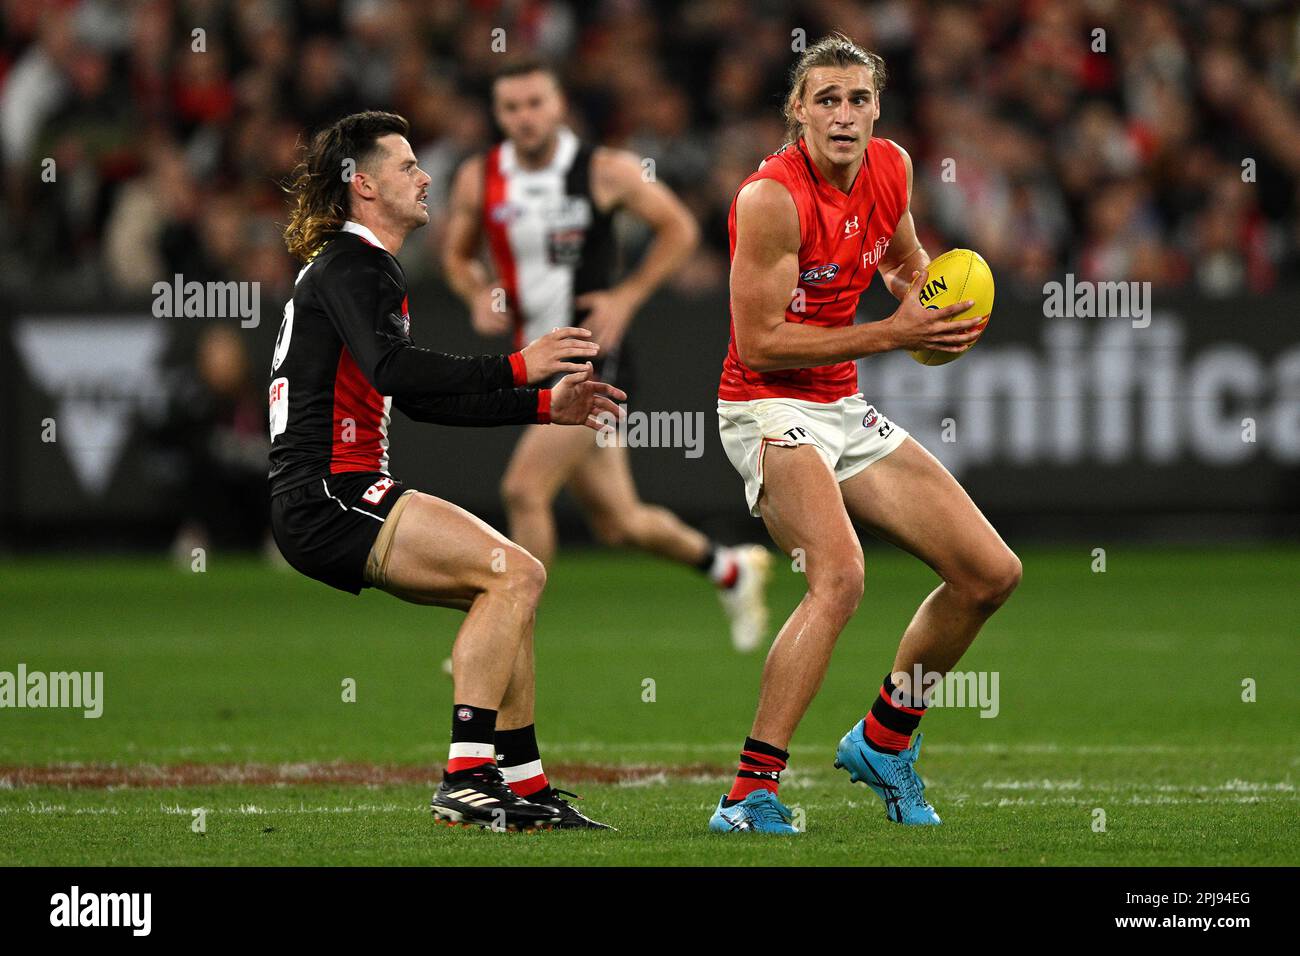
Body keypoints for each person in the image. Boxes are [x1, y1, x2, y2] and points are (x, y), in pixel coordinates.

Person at [270, 110, 625, 830]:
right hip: (330, 493)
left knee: (509, 587)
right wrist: (519, 365)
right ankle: (466, 778)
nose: (425, 176)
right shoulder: (355, 262)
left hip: (330, 493)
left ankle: (524, 786)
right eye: (407, 165)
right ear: (364, 185)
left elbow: (419, 400)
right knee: (516, 574)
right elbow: (394, 369)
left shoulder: (353, 265)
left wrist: (541, 406)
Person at [709, 36, 1022, 834]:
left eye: (857, 99)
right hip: (766, 406)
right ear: (798, 111)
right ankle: (747, 794)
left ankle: (885, 740)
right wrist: (893, 334)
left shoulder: (892, 168)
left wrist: (934, 306)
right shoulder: (770, 198)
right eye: (827, 100)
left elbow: (904, 263)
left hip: (839, 404)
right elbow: (760, 345)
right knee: (840, 577)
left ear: (877, 107)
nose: (843, 115)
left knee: (988, 573)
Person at [443, 58, 772, 653]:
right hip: (535, 361)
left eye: (535, 103)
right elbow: (456, 254)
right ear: (498, 113)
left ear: (559, 105)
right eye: (512, 107)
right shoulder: (478, 178)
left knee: (523, 489)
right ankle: (730, 569)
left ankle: (508, 637)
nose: (525, 117)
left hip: (592, 359)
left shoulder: (604, 170)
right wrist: (474, 293)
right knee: (620, 521)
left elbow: (679, 228)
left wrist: (627, 295)